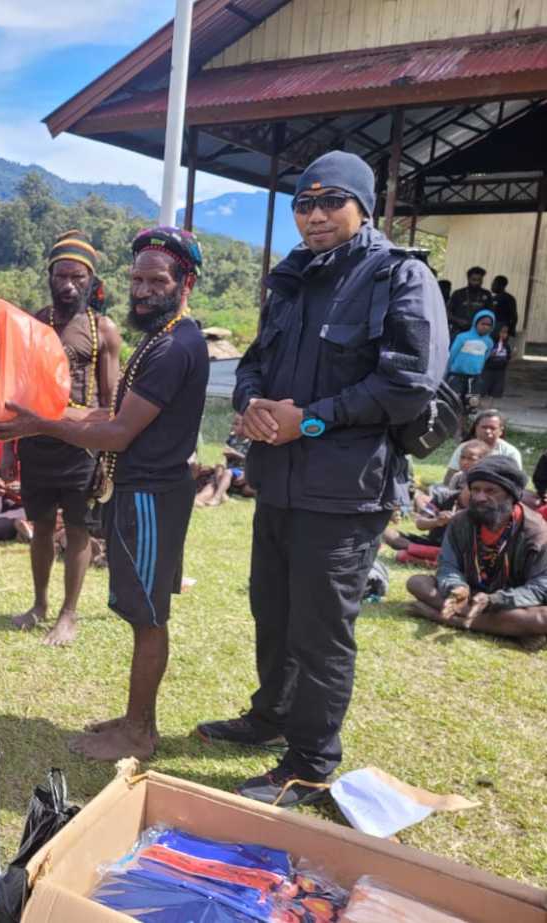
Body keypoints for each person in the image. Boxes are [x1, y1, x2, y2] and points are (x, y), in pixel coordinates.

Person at [195, 151, 448, 807]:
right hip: (277, 481)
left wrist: (306, 420)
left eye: (330, 200)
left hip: (344, 492)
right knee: (271, 610)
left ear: (363, 205)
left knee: (320, 628)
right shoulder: (293, 279)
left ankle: (310, 761)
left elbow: (408, 384)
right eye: (303, 204)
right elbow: (255, 361)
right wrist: (251, 403)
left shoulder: (400, 276)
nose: (313, 215)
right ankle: (270, 717)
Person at [0, 226, 208, 761]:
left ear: (186, 284)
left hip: (152, 496)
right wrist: (38, 419)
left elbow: (114, 433)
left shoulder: (175, 345)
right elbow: (109, 413)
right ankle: (138, 717)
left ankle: (138, 733)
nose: (142, 289)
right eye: (136, 278)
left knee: (148, 616)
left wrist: (40, 425)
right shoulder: (161, 338)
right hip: (140, 491)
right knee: (139, 610)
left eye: (157, 280)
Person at [14, 230, 121, 646]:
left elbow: (111, 402)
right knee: (40, 527)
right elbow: (18, 390)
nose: (69, 285)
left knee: (78, 530)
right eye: (61, 276)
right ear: (50, 277)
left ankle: (68, 614)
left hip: (80, 446)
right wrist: (9, 448)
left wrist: (105, 456)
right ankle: (40, 604)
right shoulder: (33, 325)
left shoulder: (103, 331)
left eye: (78, 277)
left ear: (91, 282)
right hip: (35, 443)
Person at [406, 456, 547, 652]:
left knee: (543, 618)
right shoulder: (460, 521)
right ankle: (511, 629)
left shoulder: (536, 530)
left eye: (490, 491)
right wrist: (458, 589)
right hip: (470, 594)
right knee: (417, 583)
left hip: (510, 602)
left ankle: (443, 617)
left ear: (511, 495)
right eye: (475, 489)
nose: (480, 497)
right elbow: (448, 565)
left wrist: (496, 600)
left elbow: (541, 586)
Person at [443, 408, 522, 479]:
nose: (487, 431)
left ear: (501, 431)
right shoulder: (464, 447)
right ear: (476, 428)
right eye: (484, 427)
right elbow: (451, 475)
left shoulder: (510, 452)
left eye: (492, 428)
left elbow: (515, 480)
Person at [445, 308, 495, 407]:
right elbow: (452, 355)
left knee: (472, 402)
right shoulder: (462, 337)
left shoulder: (489, 342)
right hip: (457, 375)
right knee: (454, 400)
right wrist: (448, 370)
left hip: (475, 377)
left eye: (489, 325)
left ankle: (466, 419)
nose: (485, 327)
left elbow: (485, 357)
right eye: (483, 323)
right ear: (475, 323)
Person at [446, 265, 491, 338]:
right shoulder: (458, 293)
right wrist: (458, 321)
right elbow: (447, 313)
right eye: (474, 280)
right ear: (468, 279)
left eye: (479, 280)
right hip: (458, 332)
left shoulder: (487, 294)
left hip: (478, 334)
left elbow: (490, 314)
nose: (477, 283)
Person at [481, 324, 512, 399]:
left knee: (496, 390)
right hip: (489, 369)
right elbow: (483, 356)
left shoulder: (506, 345)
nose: (504, 335)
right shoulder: (490, 343)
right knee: (484, 388)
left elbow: (508, 357)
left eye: (506, 333)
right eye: (502, 332)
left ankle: (491, 405)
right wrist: (490, 354)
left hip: (500, 370)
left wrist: (512, 355)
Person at [489, 274, 518, 339]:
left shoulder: (509, 298)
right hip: (491, 331)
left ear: (501, 285)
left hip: (501, 332)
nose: (492, 285)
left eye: (494, 283)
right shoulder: (492, 298)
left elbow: (514, 316)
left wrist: (511, 331)